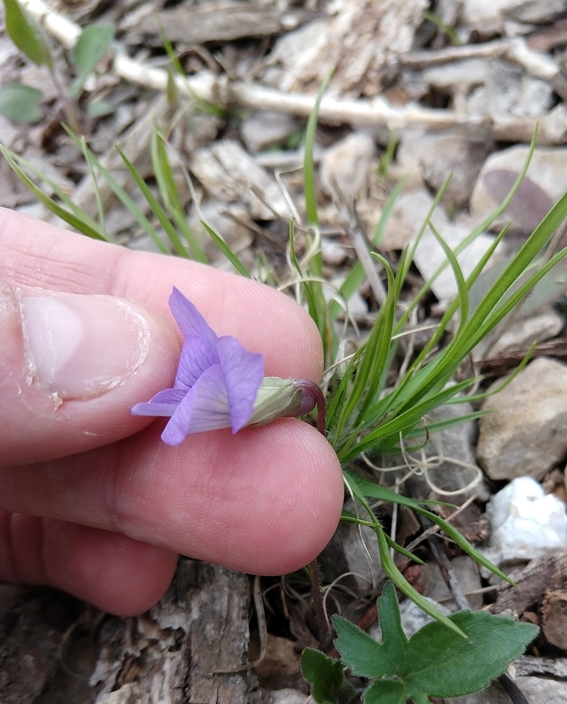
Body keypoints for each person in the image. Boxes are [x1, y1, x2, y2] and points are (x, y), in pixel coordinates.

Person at [0, 207, 344, 616]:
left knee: (293, 402)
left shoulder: (227, 393)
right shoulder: (220, 395)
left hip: (241, 399)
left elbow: (194, 396)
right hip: (238, 399)